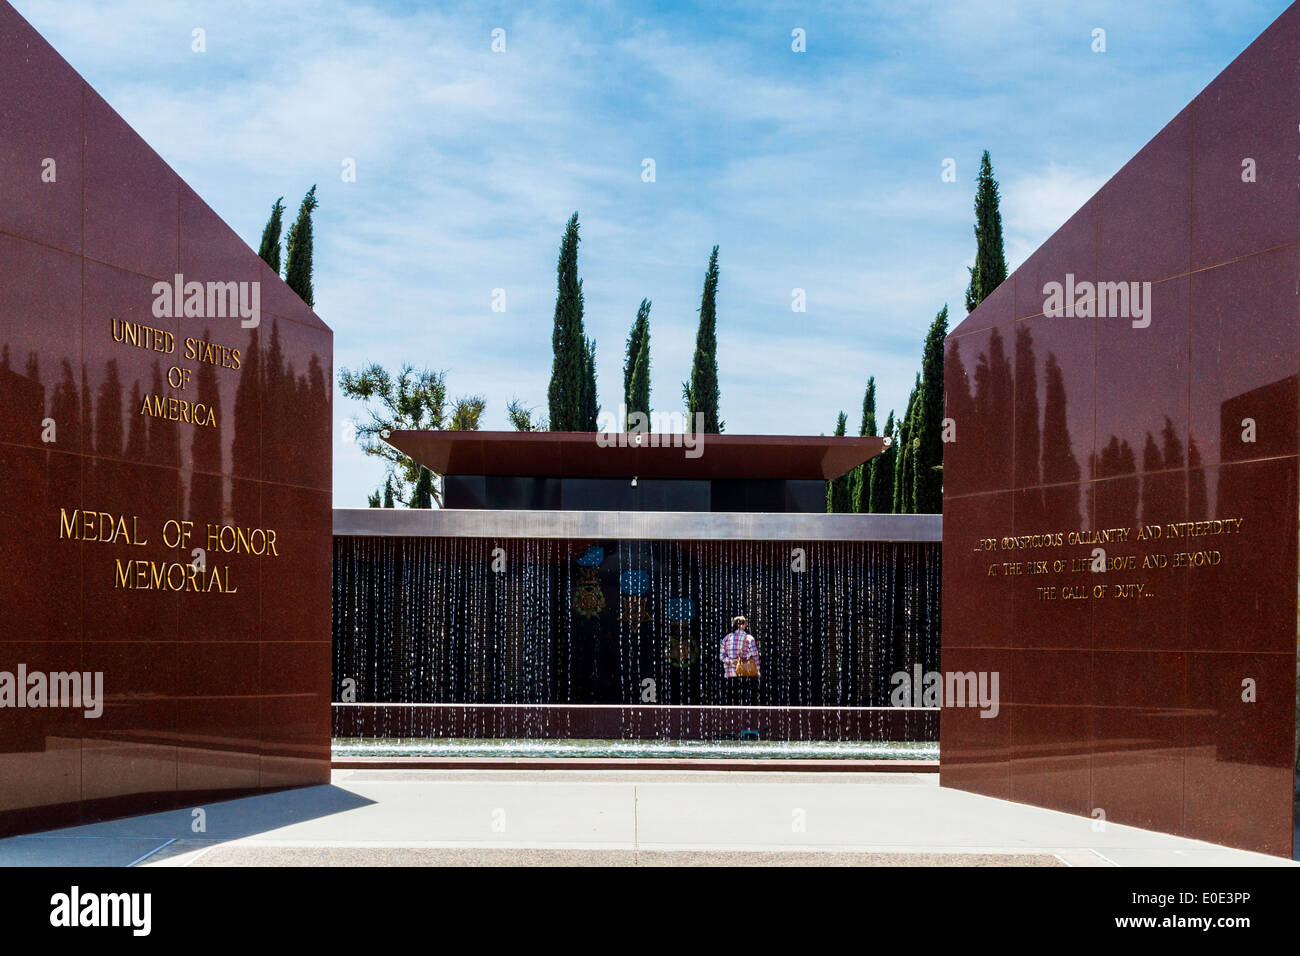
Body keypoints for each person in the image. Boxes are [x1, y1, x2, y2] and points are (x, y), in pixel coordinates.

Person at [720, 616, 759, 708]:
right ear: (743, 625)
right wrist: (758, 671)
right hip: (746, 674)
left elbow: (721, 656)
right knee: (746, 703)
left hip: (730, 675)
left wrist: (731, 661)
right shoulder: (749, 638)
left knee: (731, 703)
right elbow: (755, 656)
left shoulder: (726, 638)